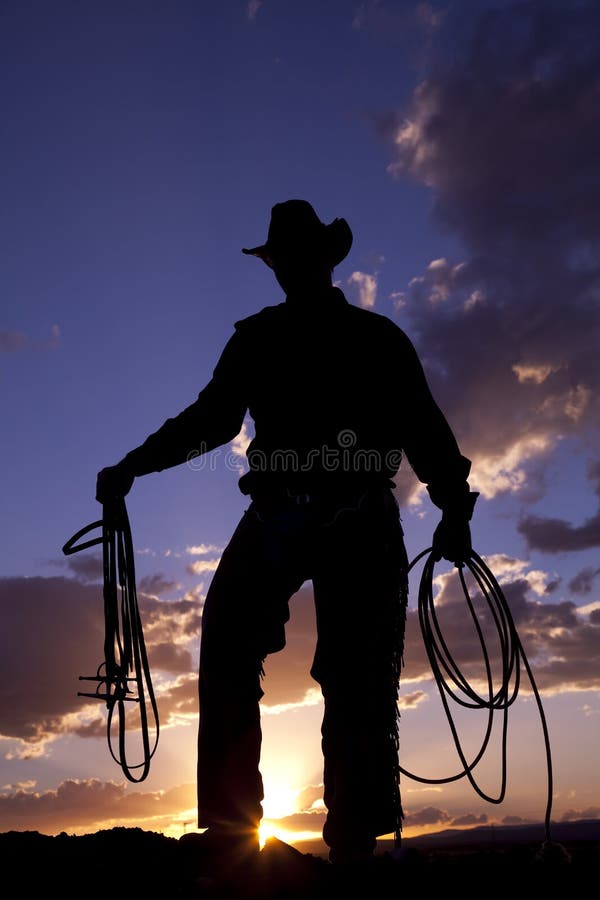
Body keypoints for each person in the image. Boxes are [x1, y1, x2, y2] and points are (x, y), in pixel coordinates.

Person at [96, 199, 478, 871]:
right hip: (309, 514)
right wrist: (134, 464)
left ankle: (325, 839)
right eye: (283, 260)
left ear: (320, 261)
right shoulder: (335, 337)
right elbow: (214, 419)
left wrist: (454, 506)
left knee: (339, 670)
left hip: (326, 516)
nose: (288, 269)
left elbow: (420, 425)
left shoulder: (324, 338)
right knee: (258, 649)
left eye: (294, 258)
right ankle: (253, 831)